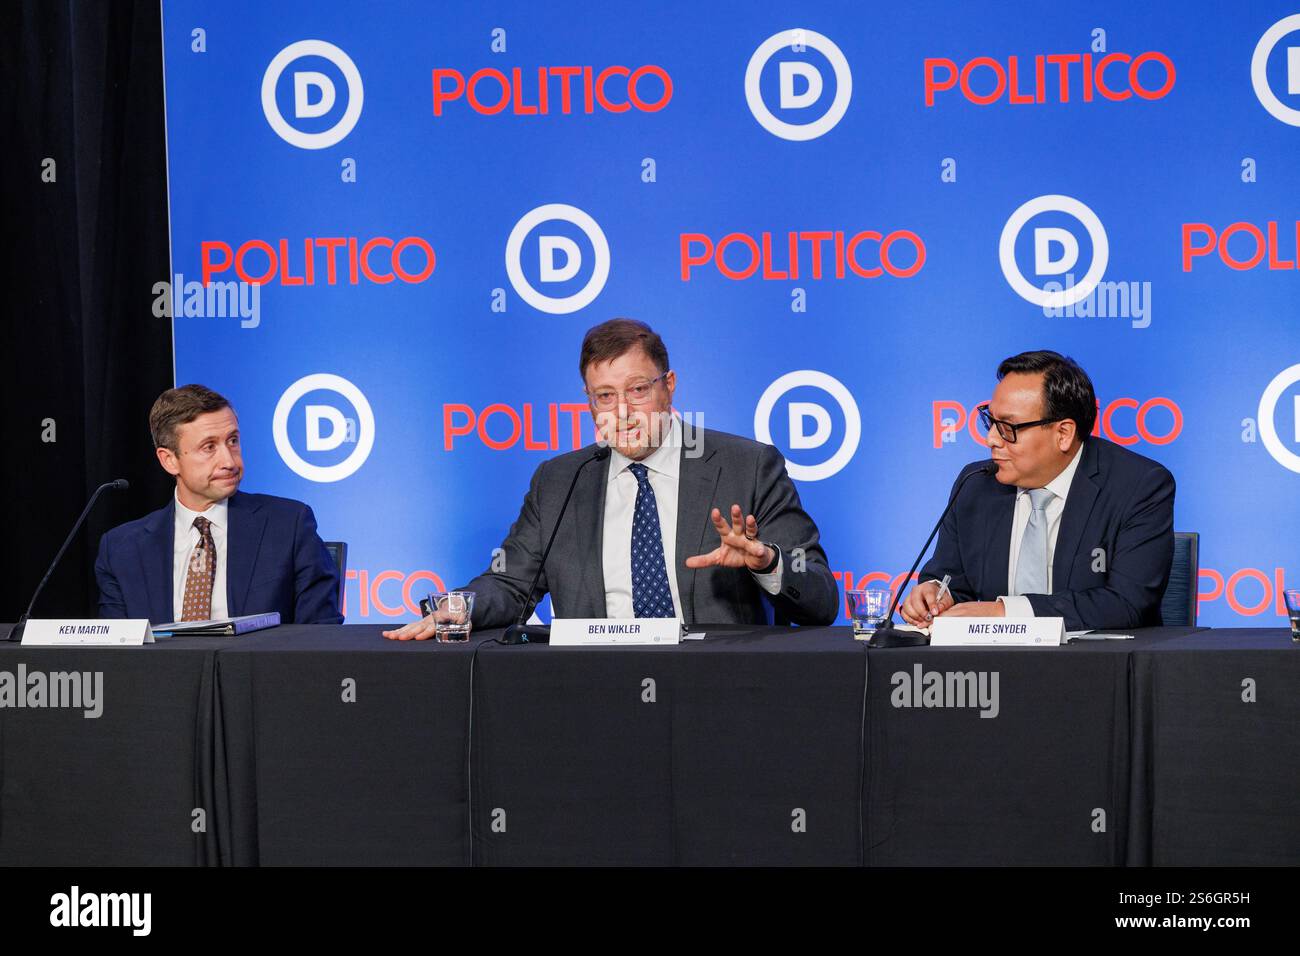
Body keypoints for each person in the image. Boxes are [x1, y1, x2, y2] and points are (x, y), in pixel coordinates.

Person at [385, 318, 838, 639]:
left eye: (638, 390)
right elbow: (510, 584)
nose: (622, 411)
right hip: (593, 692)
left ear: (669, 385)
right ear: (588, 401)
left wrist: (769, 564)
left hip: (719, 691)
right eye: (605, 396)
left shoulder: (747, 466)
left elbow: (821, 600)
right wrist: (456, 607)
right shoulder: (559, 481)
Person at [900, 350, 1175, 632]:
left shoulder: (1139, 486)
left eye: (1008, 427)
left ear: (1063, 434)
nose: (990, 438)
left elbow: (1127, 604)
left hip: (1097, 669)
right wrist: (934, 593)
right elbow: (952, 580)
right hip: (987, 669)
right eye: (990, 421)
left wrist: (1005, 612)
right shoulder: (976, 484)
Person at [95, 384, 342, 624]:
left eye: (232, 441)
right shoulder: (121, 550)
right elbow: (119, 654)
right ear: (169, 460)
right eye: (209, 447)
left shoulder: (289, 526)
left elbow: (319, 637)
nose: (229, 461)